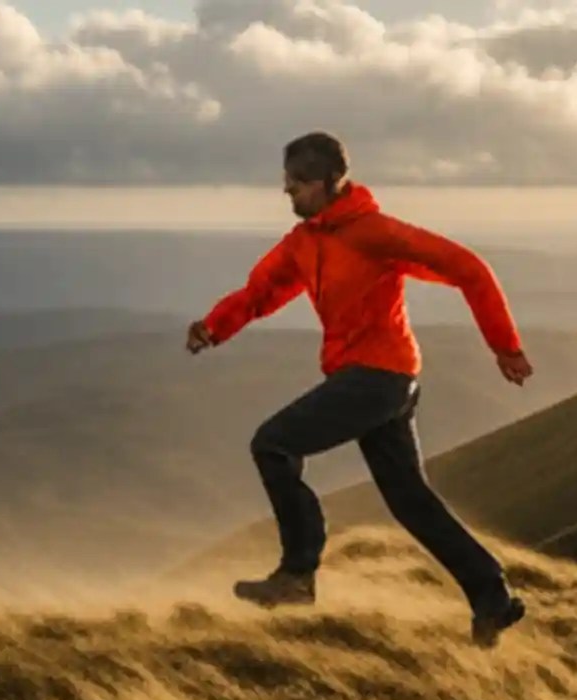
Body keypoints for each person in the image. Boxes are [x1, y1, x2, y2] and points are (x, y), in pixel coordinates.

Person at [185, 131, 534, 647]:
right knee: (411, 502)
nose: (289, 194)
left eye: (298, 185)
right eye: (286, 184)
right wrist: (215, 326)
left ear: (331, 181)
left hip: (380, 377)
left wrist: (504, 346)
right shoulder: (304, 243)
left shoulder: (374, 233)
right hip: (373, 381)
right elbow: (262, 291)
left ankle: (298, 574)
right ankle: (492, 599)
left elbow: (468, 268)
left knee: (273, 444)